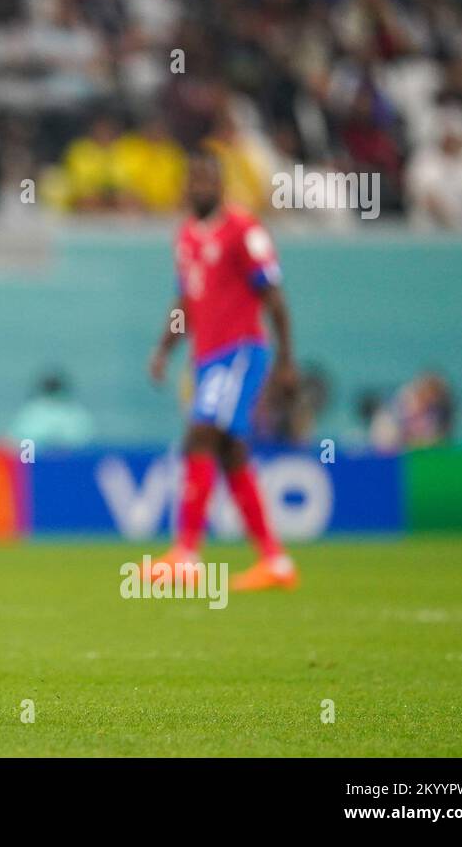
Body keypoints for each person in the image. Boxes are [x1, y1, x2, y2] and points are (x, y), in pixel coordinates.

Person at [146, 149, 299, 591]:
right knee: (231, 452)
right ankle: (275, 561)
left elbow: (274, 297)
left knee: (200, 433)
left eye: (207, 180)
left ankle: (186, 554)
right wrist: (163, 350)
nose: (199, 187)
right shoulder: (186, 237)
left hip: (241, 352)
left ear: (222, 185)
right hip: (207, 358)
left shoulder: (244, 230)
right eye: (193, 179)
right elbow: (185, 304)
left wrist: (286, 361)